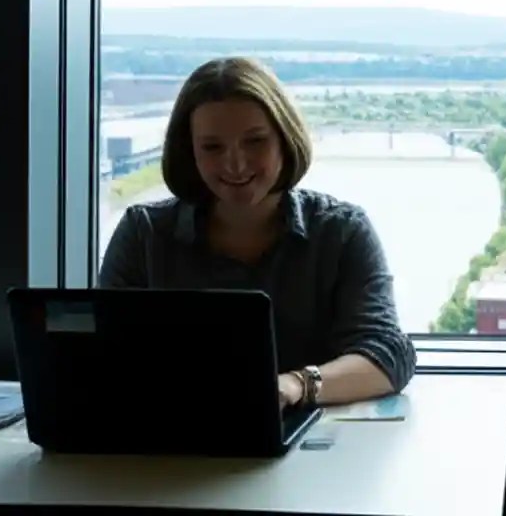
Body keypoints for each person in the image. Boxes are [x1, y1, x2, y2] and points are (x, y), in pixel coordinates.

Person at [99, 56, 416, 408]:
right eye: (212, 147)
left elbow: (386, 356)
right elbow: (99, 356)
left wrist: (296, 386)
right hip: (169, 446)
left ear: (284, 138)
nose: (235, 164)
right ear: (189, 152)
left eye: (255, 142)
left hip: (312, 450)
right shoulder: (142, 234)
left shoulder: (341, 232)